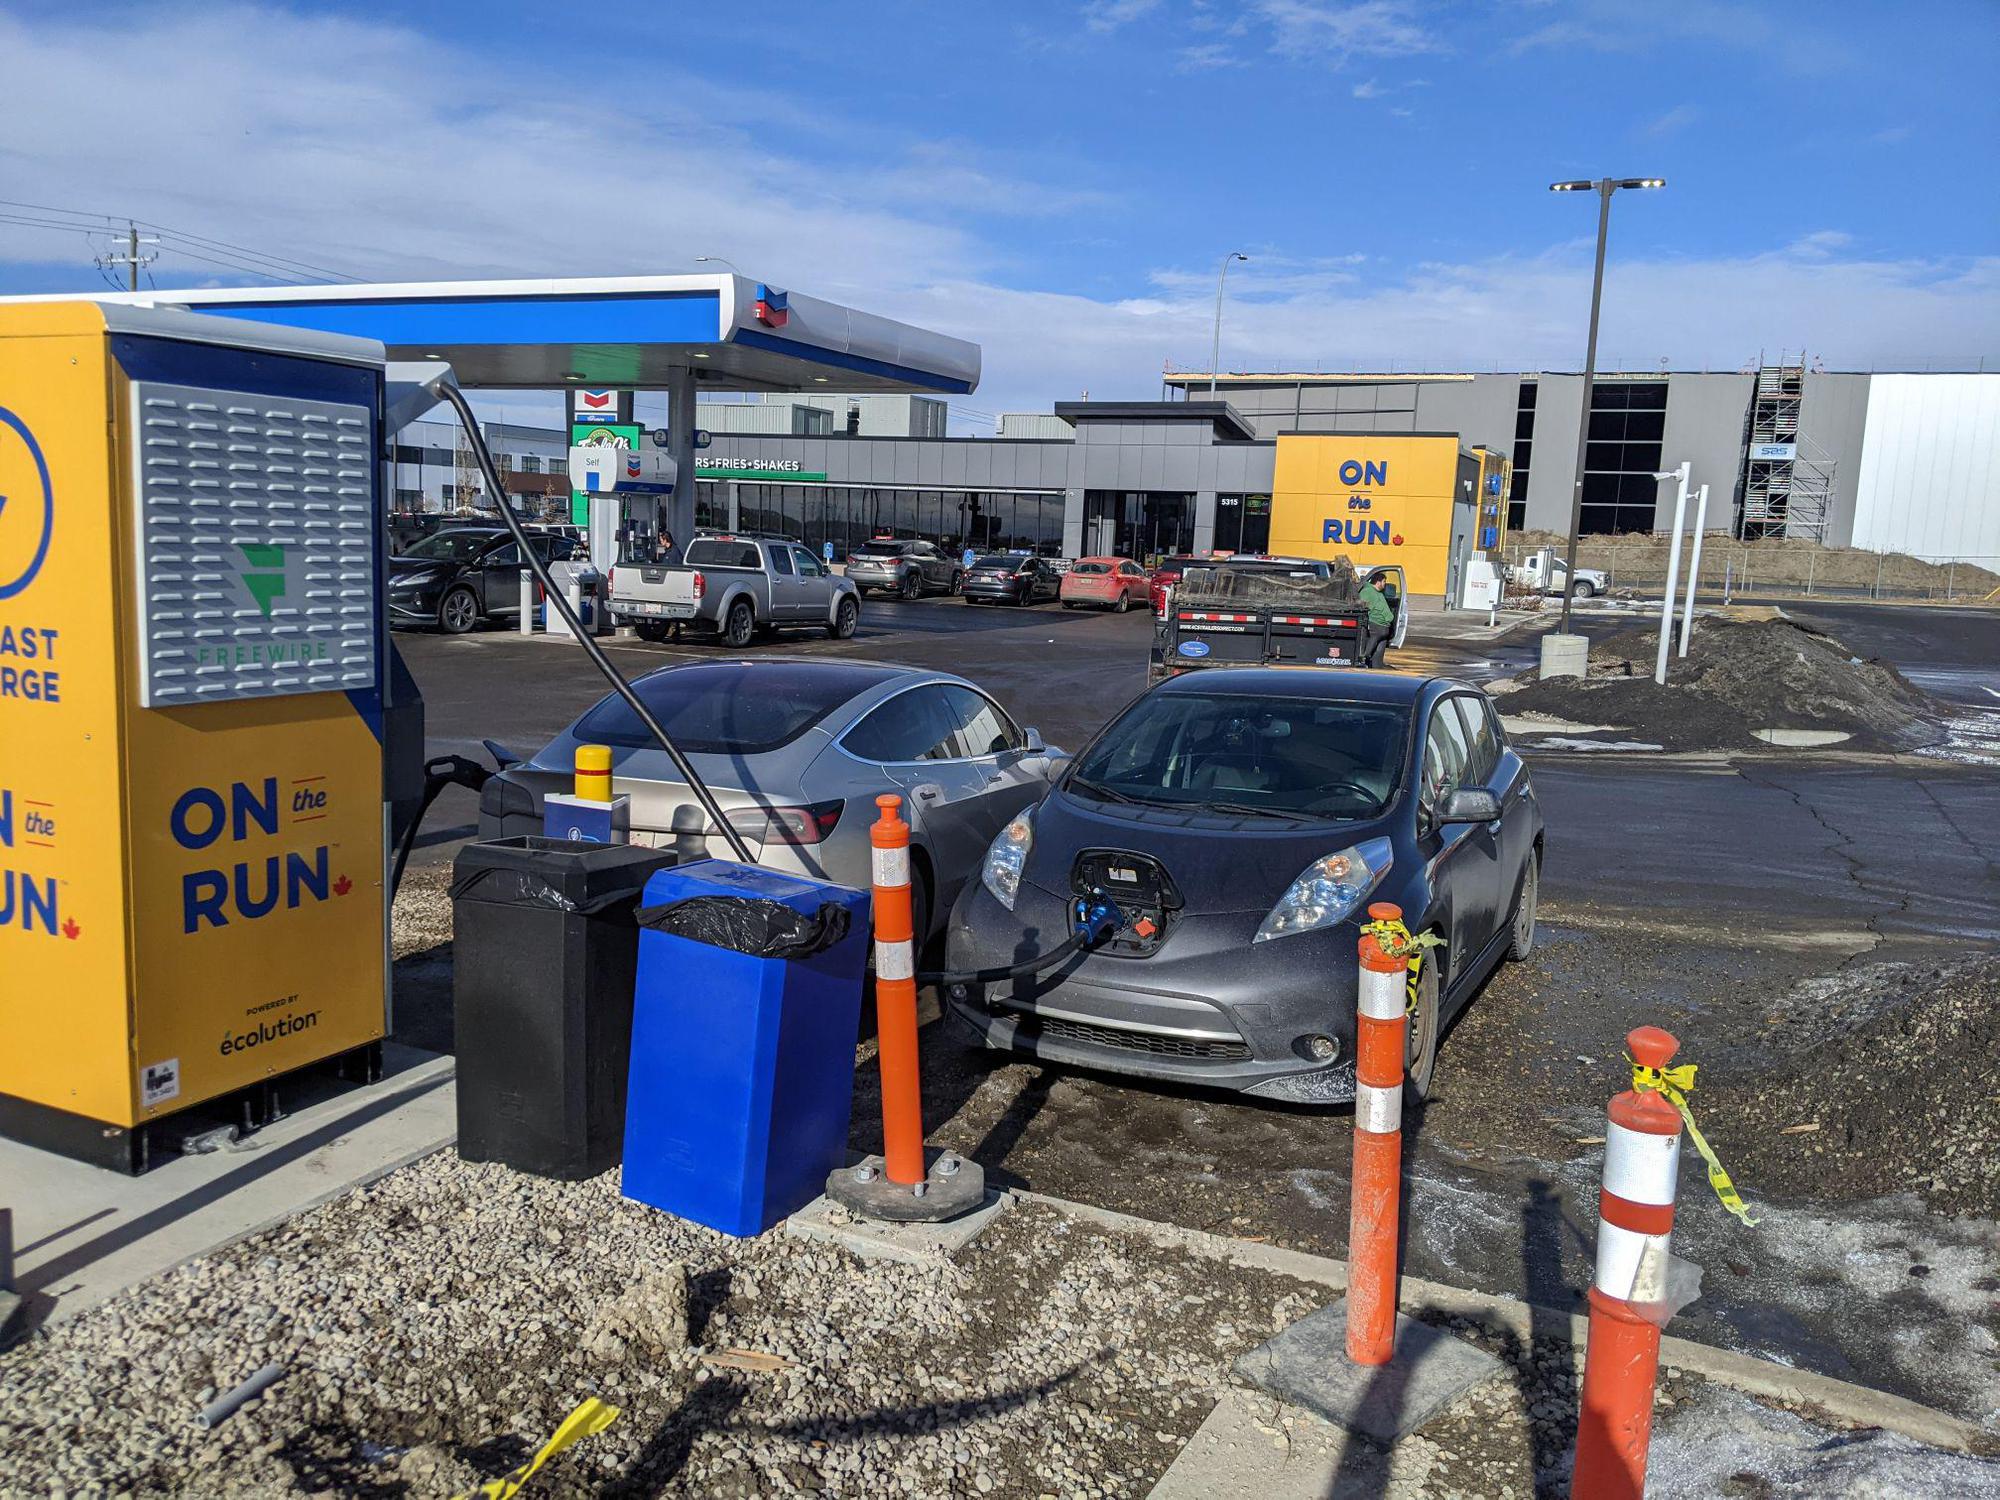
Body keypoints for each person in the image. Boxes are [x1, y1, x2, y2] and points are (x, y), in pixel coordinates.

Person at [1357, 570, 1395, 668]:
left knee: (1377, 660)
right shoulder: (1367, 592)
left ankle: (1376, 667)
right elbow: (1364, 607)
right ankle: (1363, 657)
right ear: (1378, 582)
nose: (1385, 584)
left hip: (1384, 627)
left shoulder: (1379, 593)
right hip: (1376, 624)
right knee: (1374, 638)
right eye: (1384, 582)